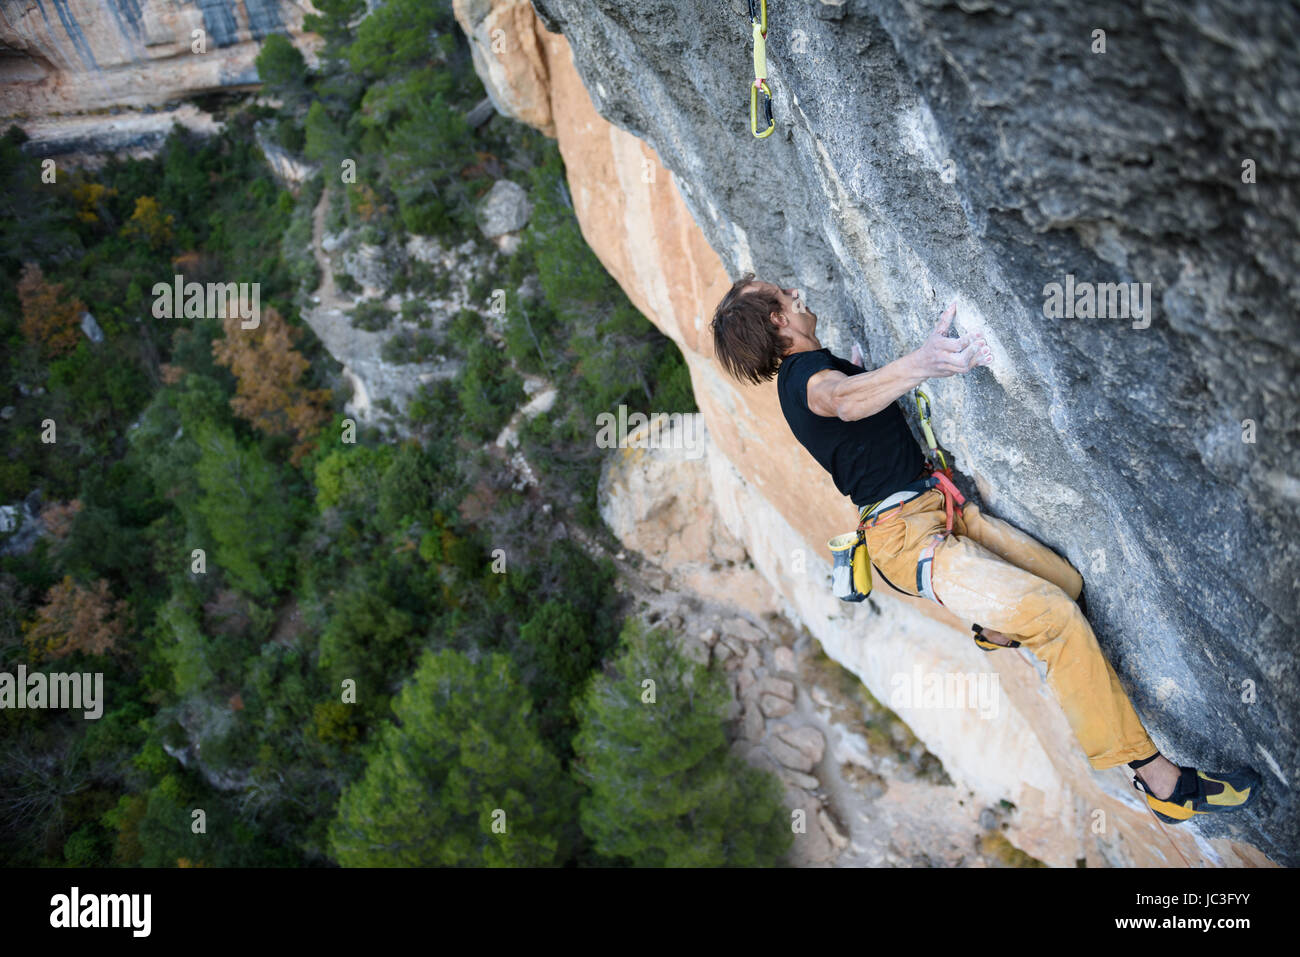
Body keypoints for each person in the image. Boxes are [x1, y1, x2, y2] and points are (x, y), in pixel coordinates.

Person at [708, 273, 1260, 825]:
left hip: (941, 513)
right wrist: (923, 362)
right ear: (778, 320)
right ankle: (1160, 780)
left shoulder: (813, 370)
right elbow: (844, 402)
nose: (798, 292)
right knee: (1054, 617)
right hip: (910, 539)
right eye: (784, 293)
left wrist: (873, 375)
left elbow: (849, 401)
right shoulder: (806, 376)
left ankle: (995, 627)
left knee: (1065, 583)